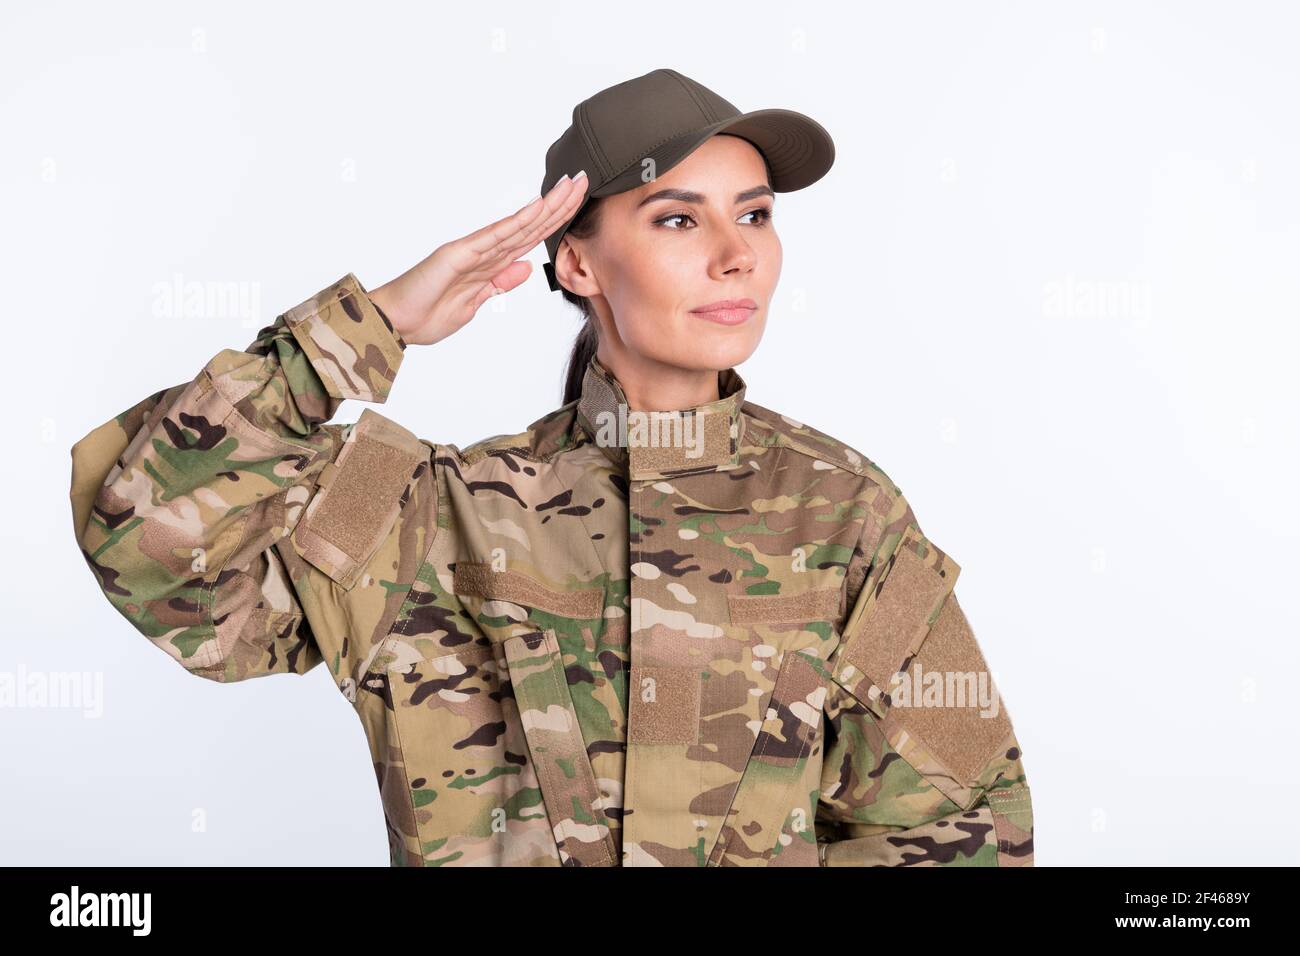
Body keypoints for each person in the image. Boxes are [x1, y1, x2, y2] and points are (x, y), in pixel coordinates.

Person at [69, 68, 1034, 867]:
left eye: (758, 214)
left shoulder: (844, 513)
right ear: (576, 263)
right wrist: (370, 328)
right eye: (677, 220)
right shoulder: (432, 511)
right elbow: (157, 555)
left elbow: (961, 822)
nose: (739, 256)